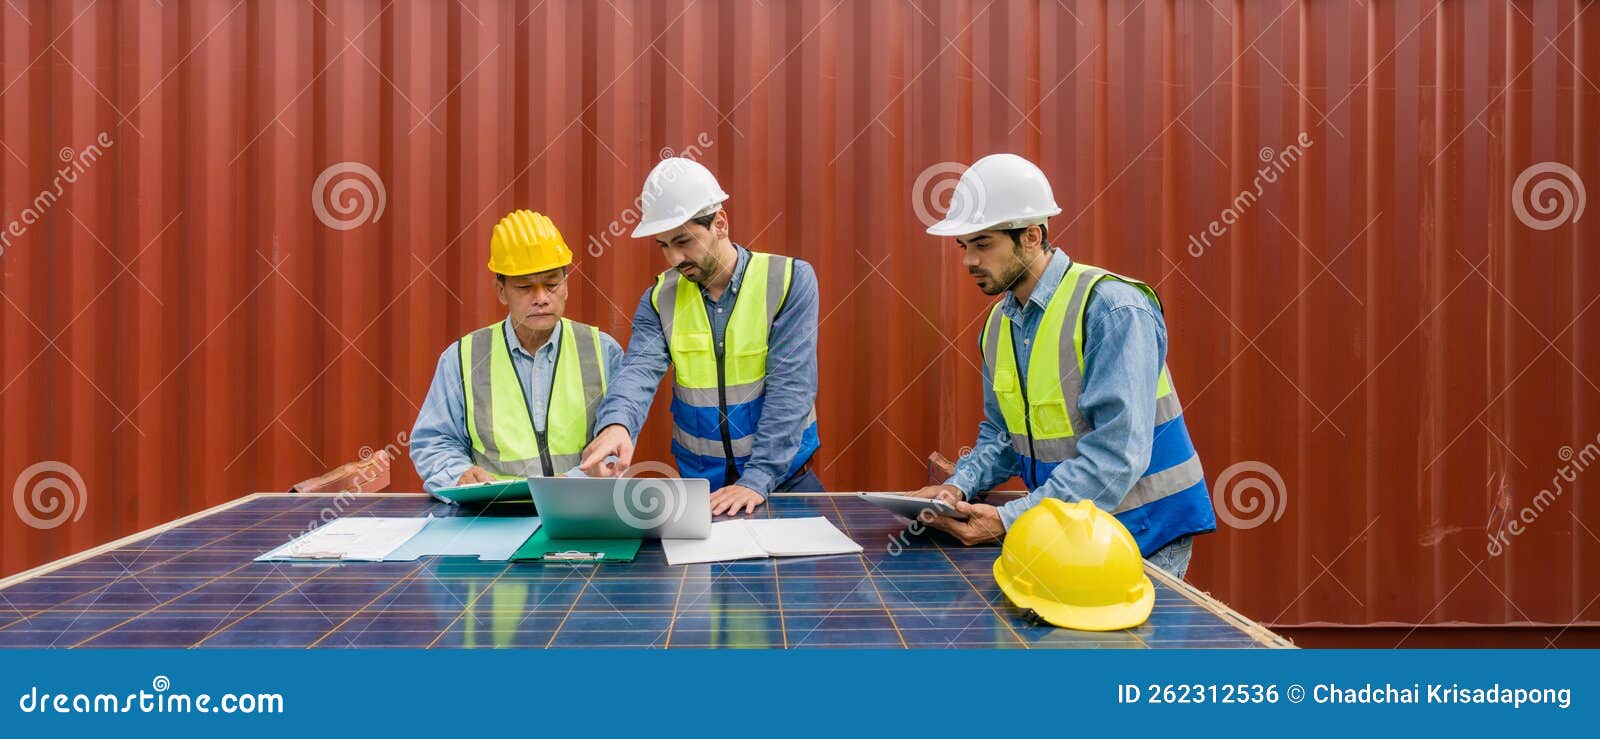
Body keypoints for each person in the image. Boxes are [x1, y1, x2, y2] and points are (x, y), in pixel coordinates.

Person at [907, 154, 1216, 578]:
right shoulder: (999, 326)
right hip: (1070, 534)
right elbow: (1002, 433)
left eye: (983, 244)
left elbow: (1118, 455)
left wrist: (1009, 519)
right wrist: (958, 485)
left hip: (1143, 534)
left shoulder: (1112, 309)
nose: (969, 261)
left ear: (1032, 236)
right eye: (964, 246)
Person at [579, 158, 822, 515]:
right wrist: (615, 425)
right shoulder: (659, 300)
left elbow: (792, 386)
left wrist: (756, 479)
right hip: (704, 492)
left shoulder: (788, 281)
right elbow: (637, 373)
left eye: (683, 241)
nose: (674, 257)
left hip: (785, 483)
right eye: (663, 245)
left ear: (719, 224)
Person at [410, 210, 623, 492]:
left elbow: (616, 441)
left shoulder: (603, 351)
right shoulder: (461, 358)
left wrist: (572, 483)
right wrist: (459, 473)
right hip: (493, 517)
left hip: (582, 508)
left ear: (566, 284)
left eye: (551, 284)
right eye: (524, 287)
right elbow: (433, 441)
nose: (541, 299)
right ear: (500, 291)